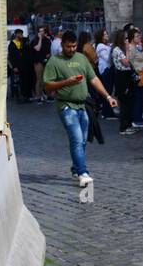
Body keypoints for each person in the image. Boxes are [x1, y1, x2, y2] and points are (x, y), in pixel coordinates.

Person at [43, 31, 118, 187]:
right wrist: (66, 82)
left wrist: (108, 96)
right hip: (66, 106)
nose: (71, 49)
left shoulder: (82, 58)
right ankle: (83, 173)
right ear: (62, 45)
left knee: (82, 141)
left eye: (74, 46)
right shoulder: (54, 61)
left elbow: (94, 79)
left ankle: (76, 168)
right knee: (77, 139)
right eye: (68, 46)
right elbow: (48, 86)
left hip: (82, 105)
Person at [110, 30, 136, 135]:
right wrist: (128, 50)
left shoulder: (120, 49)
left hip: (126, 76)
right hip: (122, 77)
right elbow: (126, 63)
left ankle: (128, 124)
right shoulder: (117, 50)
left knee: (129, 102)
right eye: (125, 38)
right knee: (125, 103)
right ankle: (124, 127)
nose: (127, 40)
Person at [8, 29, 35, 102]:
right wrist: (14, 67)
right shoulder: (12, 44)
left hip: (26, 66)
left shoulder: (23, 42)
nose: (21, 36)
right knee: (20, 82)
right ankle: (21, 96)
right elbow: (11, 57)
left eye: (22, 34)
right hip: (18, 66)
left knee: (26, 81)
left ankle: (27, 96)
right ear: (16, 34)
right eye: (20, 34)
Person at [32, 26, 53, 102]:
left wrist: (48, 56)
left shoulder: (47, 40)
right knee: (39, 79)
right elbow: (37, 48)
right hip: (38, 61)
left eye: (42, 31)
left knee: (46, 79)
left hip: (45, 61)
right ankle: (38, 96)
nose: (41, 32)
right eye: (40, 31)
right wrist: (40, 39)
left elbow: (49, 51)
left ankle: (47, 95)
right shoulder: (35, 40)